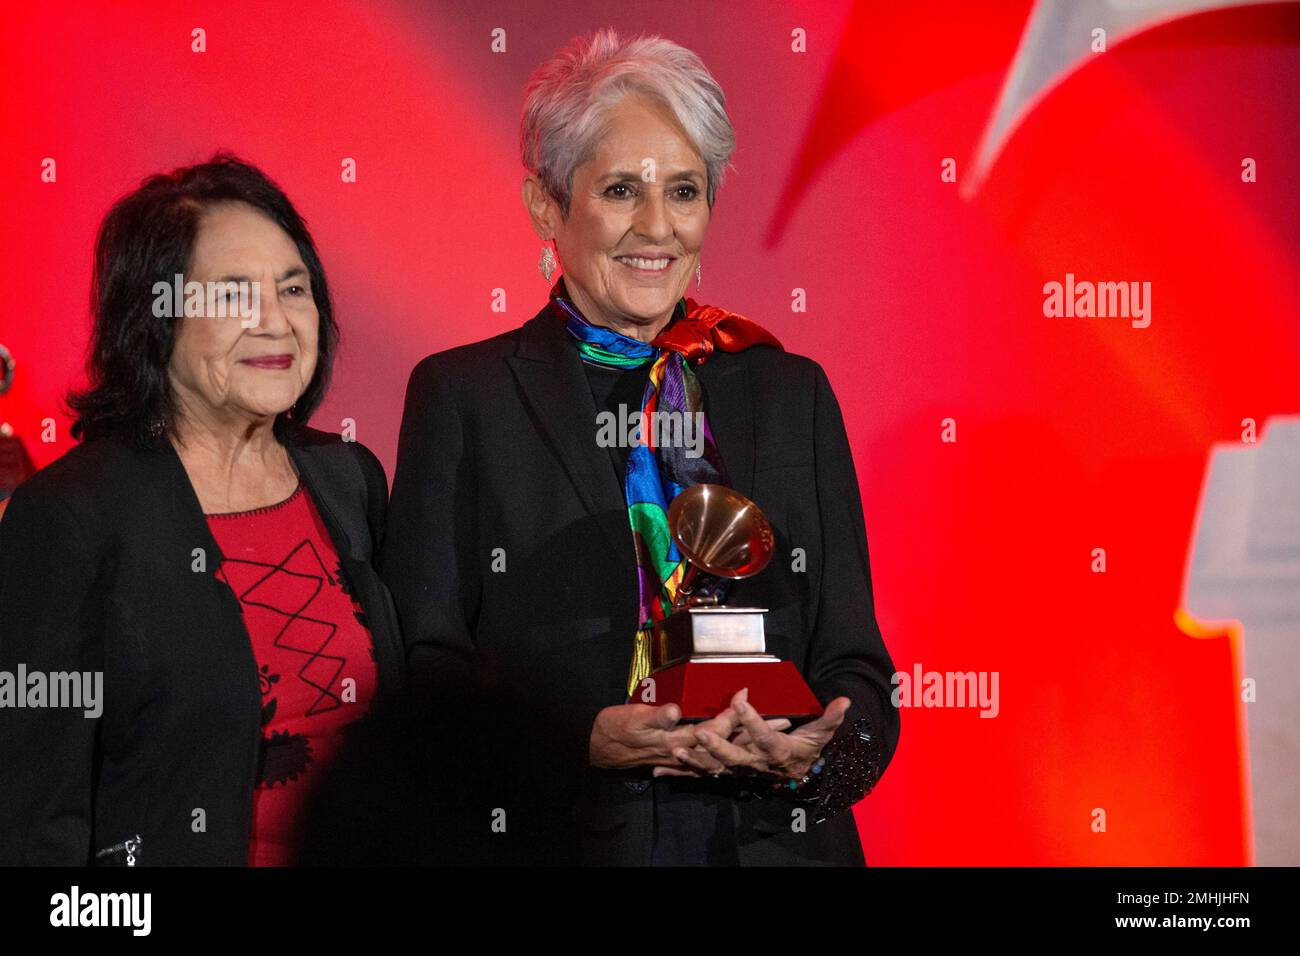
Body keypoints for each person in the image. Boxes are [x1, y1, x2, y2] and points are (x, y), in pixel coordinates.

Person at [382, 29, 901, 865]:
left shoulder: (789, 391)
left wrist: (822, 758)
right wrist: (584, 739)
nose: (656, 228)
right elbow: (427, 676)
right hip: (568, 834)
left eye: (685, 192)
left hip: (776, 840)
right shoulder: (463, 397)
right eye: (622, 190)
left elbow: (857, 666)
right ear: (547, 207)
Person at [0, 156, 407, 865]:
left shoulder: (348, 478)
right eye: (233, 296)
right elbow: (34, 824)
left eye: (293, 288)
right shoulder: (68, 517)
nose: (275, 322)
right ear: (154, 318)